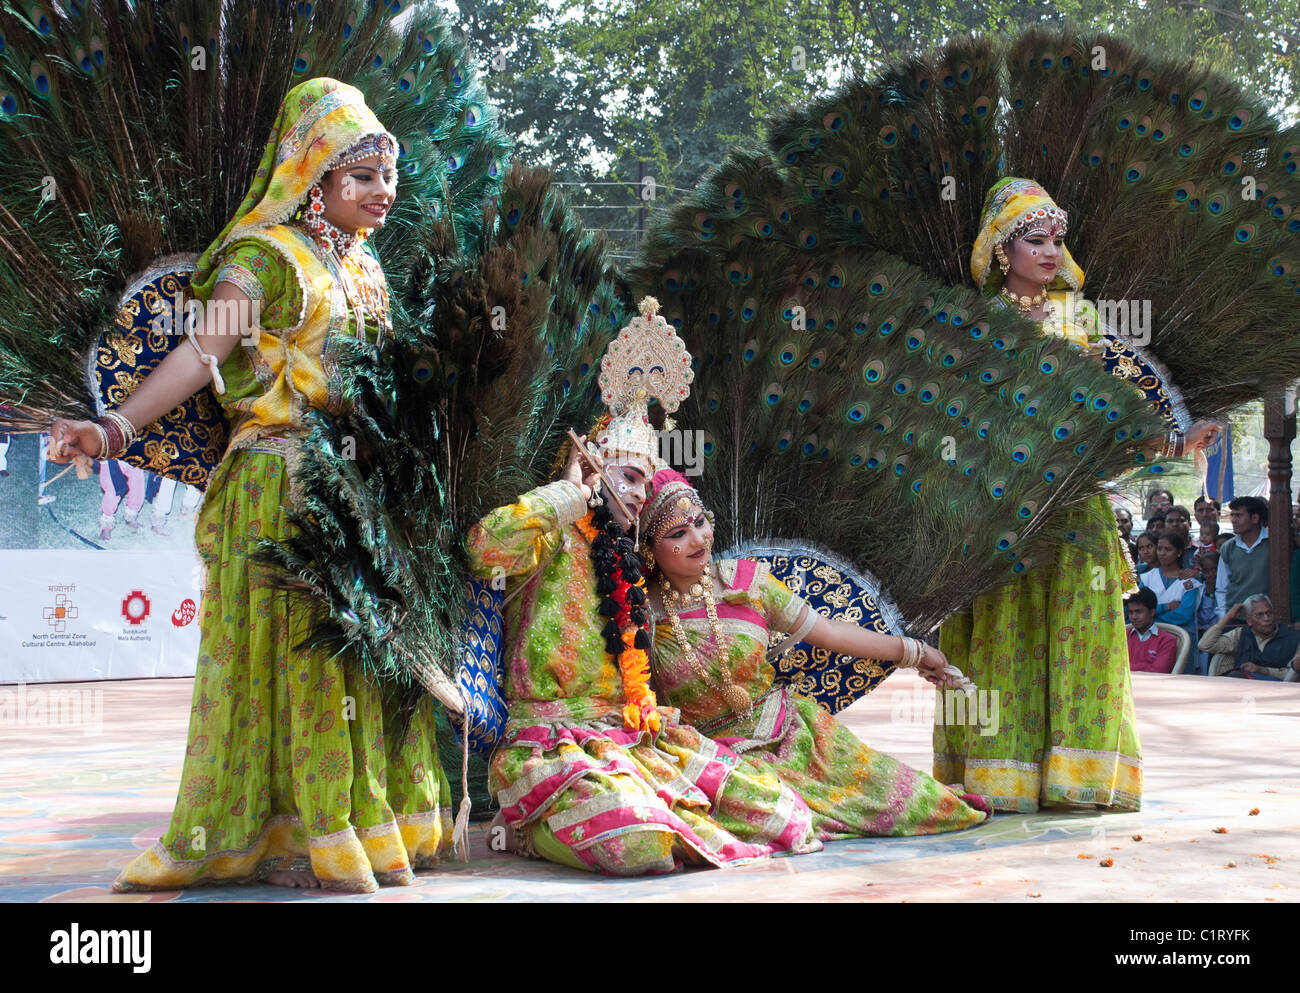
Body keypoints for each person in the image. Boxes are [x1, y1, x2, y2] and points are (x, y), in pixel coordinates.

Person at [48, 79, 453, 892]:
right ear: (315, 175)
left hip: (358, 497)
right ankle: (288, 836)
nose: (384, 190)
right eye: (363, 174)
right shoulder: (265, 261)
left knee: (358, 665)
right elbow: (201, 357)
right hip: (280, 486)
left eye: (387, 174)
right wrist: (116, 429)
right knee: (294, 662)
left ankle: (348, 827)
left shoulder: (366, 271)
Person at [468, 298, 822, 875]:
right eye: (627, 477)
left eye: (645, 480)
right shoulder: (550, 534)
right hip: (548, 737)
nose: (638, 493)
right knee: (641, 846)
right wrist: (565, 495)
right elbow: (484, 548)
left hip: (627, 731)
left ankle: (645, 808)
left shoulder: (623, 561)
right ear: (590, 466)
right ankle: (538, 824)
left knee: (785, 817)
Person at [936, 179, 1217, 813]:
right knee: (1002, 642)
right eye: (1036, 241)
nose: (1051, 253)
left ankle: (1079, 778)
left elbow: (1126, 417)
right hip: (998, 509)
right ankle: (999, 781)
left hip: (1076, 506)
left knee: (1083, 635)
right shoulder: (972, 325)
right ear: (1002, 251)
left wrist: (1178, 442)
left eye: (1059, 241)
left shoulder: (1081, 321)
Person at [638, 469, 990, 840]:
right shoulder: (641, 612)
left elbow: (831, 633)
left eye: (699, 522)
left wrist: (915, 653)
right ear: (648, 548)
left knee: (916, 802)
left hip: (795, 733)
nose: (698, 538)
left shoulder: (747, 582)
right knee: (770, 814)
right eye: (678, 534)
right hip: (715, 757)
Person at [1199, 596, 1300, 680]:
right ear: (1249, 620)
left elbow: (1292, 673)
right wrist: (1228, 617)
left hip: (1276, 691)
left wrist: (1262, 670)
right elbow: (1205, 645)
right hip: (1242, 691)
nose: (1266, 618)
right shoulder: (1241, 634)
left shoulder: (1293, 638)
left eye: (1269, 613)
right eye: (1259, 615)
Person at [1139, 532, 1201, 642]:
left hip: (1181, 638)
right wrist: (1166, 607)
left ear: (1179, 552)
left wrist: (1151, 616)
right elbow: (1140, 609)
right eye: (1159, 549)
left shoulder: (1190, 581)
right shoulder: (1147, 578)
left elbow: (1183, 614)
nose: (1162, 553)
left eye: (1168, 549)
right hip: (1151, 637)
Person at [1215, 496, 1270, 619]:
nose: (1233, 520)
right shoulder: (1228, 548)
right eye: (1232, 515)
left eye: (1239, 516)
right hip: (1236, 616)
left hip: (1266, 617)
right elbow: (1222, 587)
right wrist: (1223, 616)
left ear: (1255, 518)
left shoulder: (1273, 544)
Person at [1126, 589, 1178, 674]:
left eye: (1138, 612)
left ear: (1152, 612)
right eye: (1130, 612)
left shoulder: (1167, 641)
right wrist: (1145, 667)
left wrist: (1127, 669)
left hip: (1152, 686)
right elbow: (1112, 667)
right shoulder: (1122, 636)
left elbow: (1159, 672)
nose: (1134, 617)